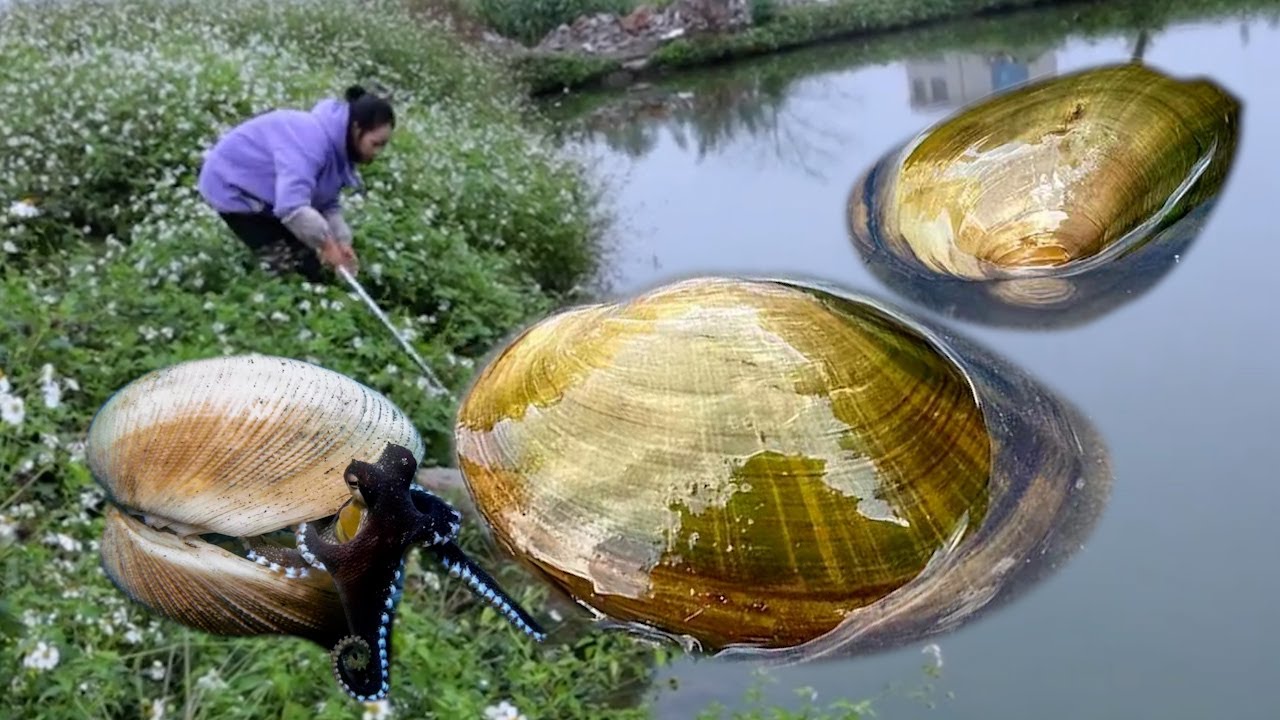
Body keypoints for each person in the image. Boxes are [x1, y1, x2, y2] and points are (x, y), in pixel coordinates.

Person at [196, 84, 396, 281]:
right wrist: (327, 246)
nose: (378, 152)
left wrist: (342, 242)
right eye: (375, 144)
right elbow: (291, 207)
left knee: (310, 266)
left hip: (273, 194)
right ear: (356, 128)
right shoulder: (310, 142)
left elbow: (326, 203)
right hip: (232, 186)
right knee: (285, 269)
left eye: (384, 145)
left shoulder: (340, 150)